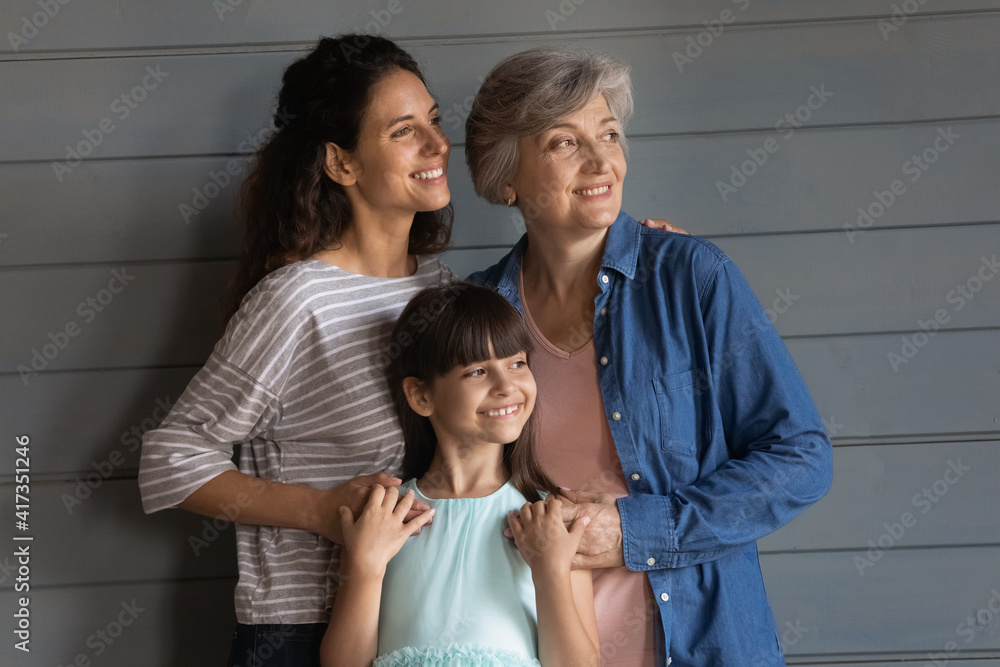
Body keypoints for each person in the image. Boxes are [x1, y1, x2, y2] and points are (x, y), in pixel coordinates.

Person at [138, 33, 679, 666]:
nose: (436, 145)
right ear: (341, 163)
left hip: (431, 627)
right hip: (302, 631)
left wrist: (646, 256)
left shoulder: (449, 293)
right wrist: (320, 511)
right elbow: (170, 462)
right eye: (402, 131)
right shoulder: (296, 300)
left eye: (434, 122)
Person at [465, 47, 834, 665]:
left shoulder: (693, 277)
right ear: (507, 177)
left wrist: (638, 532)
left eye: (609, 134)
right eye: (563, 142)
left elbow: (802, 458)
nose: (600, 159)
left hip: (698, 645)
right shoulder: (478, 311)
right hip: (528, 647)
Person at [321, 283, 599, 666]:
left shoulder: (551, 519)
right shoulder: (385, 518)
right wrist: (365, 567)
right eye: (478, 371)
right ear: (421, 396)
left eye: (517, 363)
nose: (507, 386)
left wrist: (550, 571)